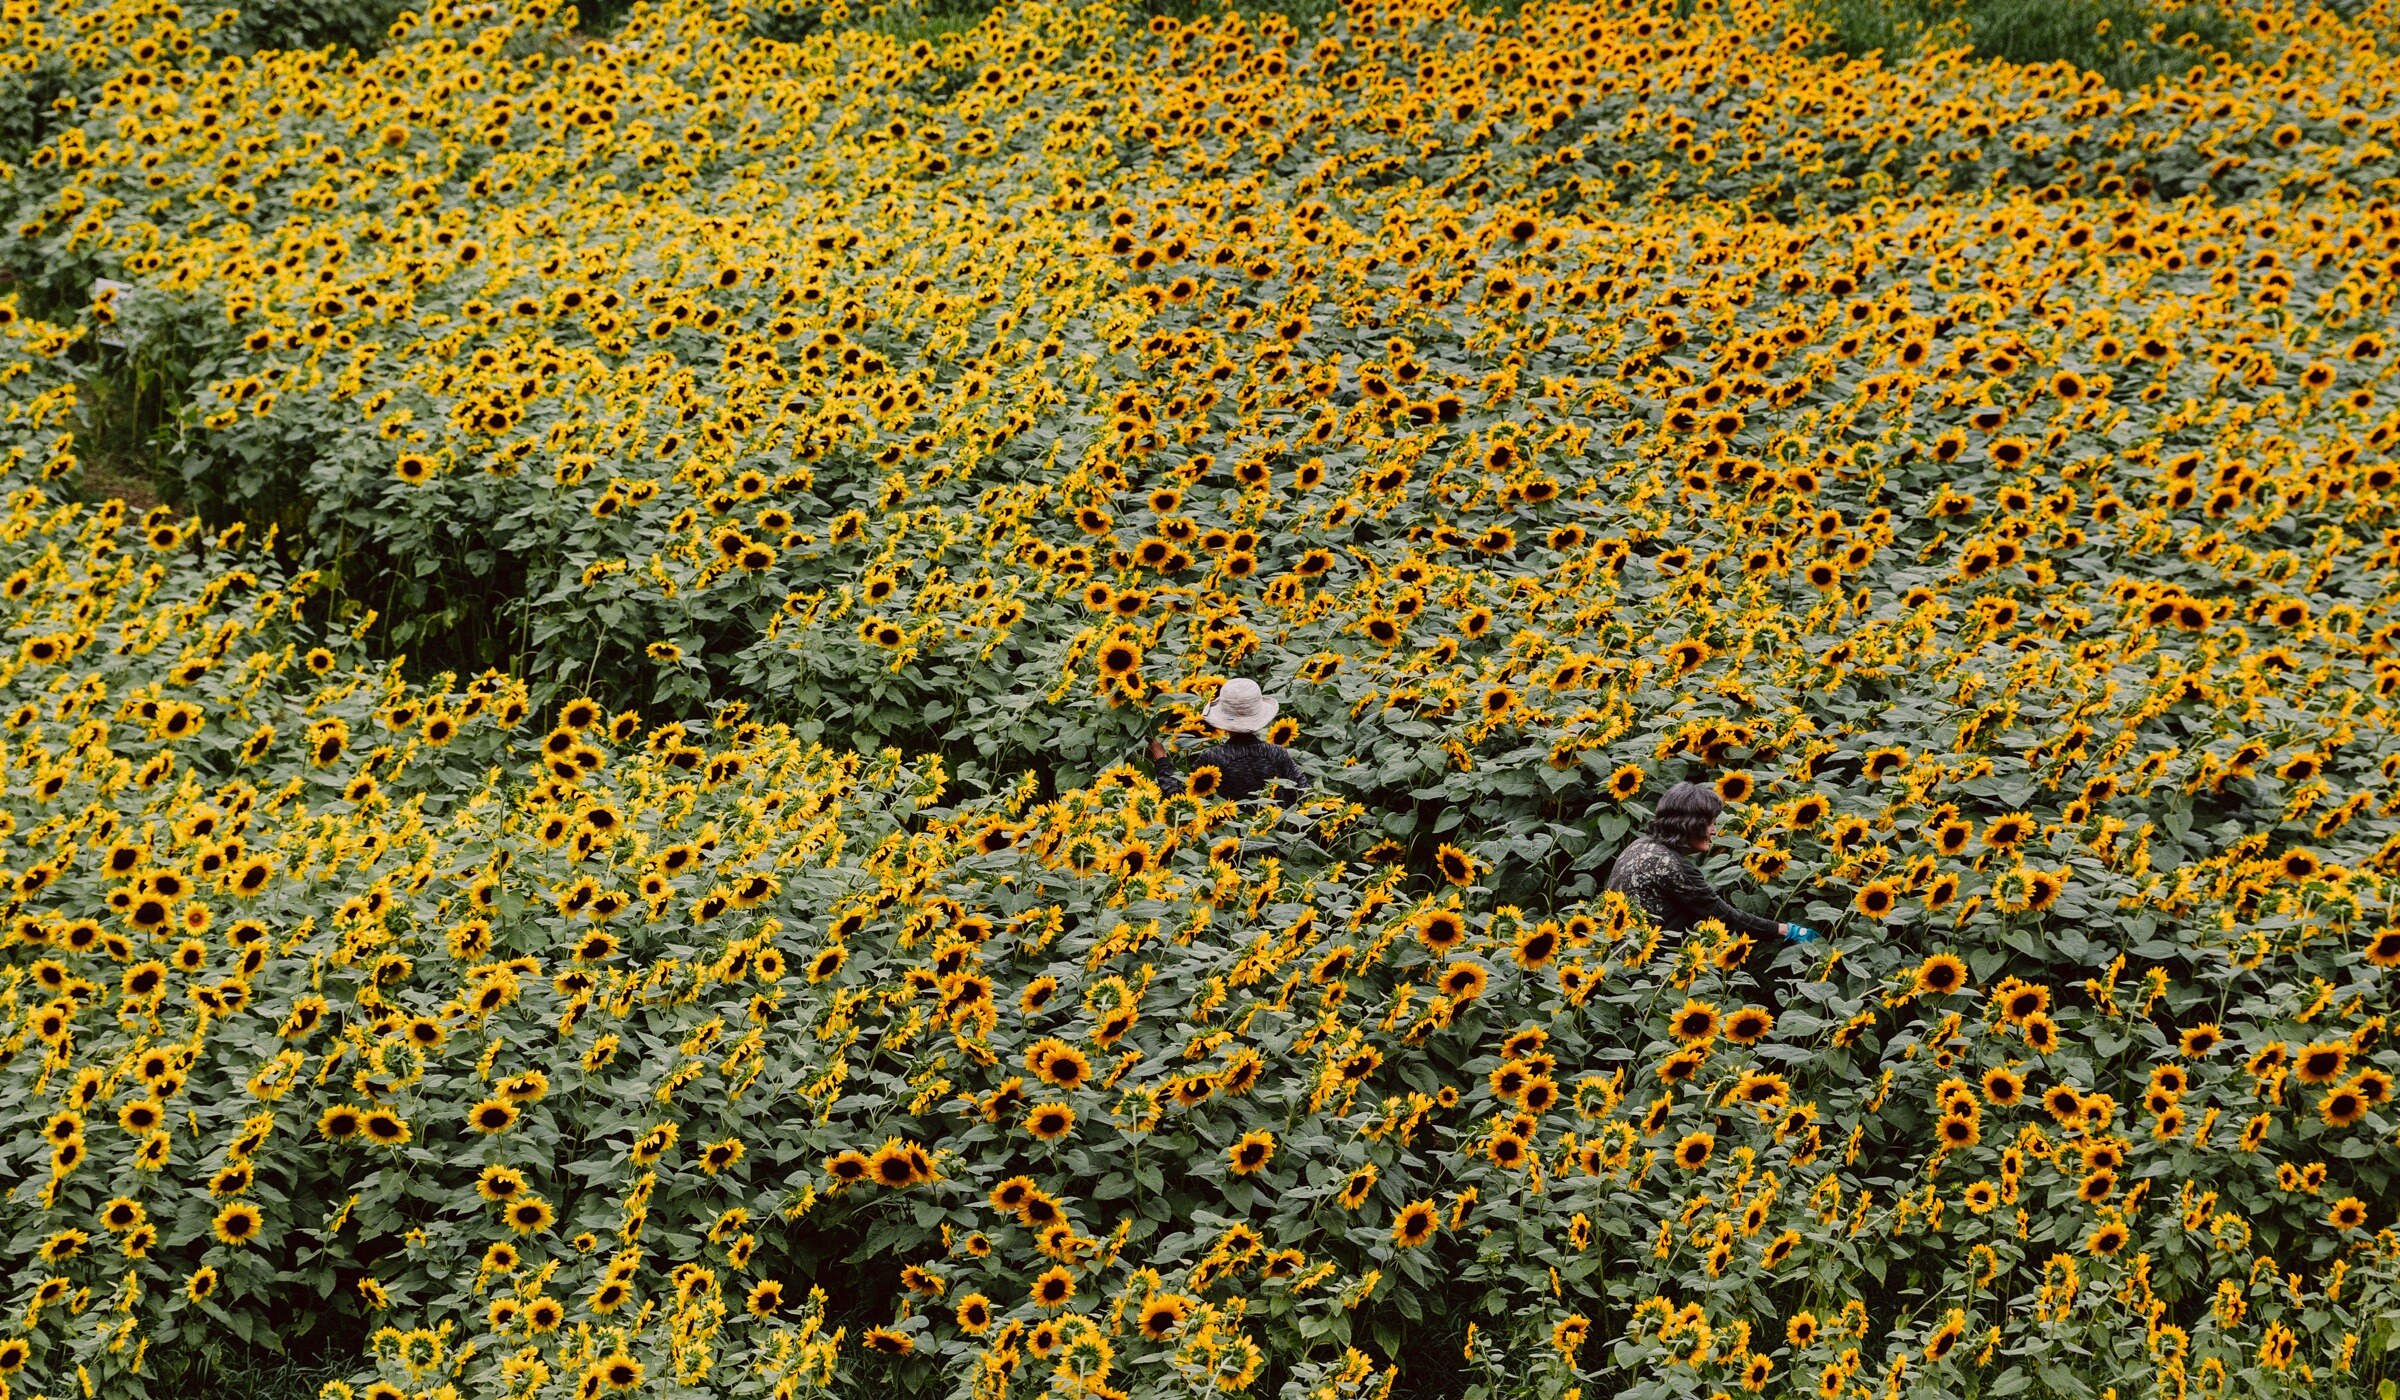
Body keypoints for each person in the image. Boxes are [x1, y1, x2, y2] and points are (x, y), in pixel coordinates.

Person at [1606, 780, 1818, 948]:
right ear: (1690, 824)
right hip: (1645, 967)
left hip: (1616, 954)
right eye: (1710, 823)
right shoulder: (1670, 865)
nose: (1714, 831)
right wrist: (1785, 930)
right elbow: (1722, 915)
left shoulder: (1639, 846)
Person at [1148, 678, 1308, 804]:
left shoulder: (1214, 758)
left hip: (1228, 842)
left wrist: (1162, 761)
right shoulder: (1277, 754)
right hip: (1278, 840)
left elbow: (1180, 799)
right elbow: (1303, 794)